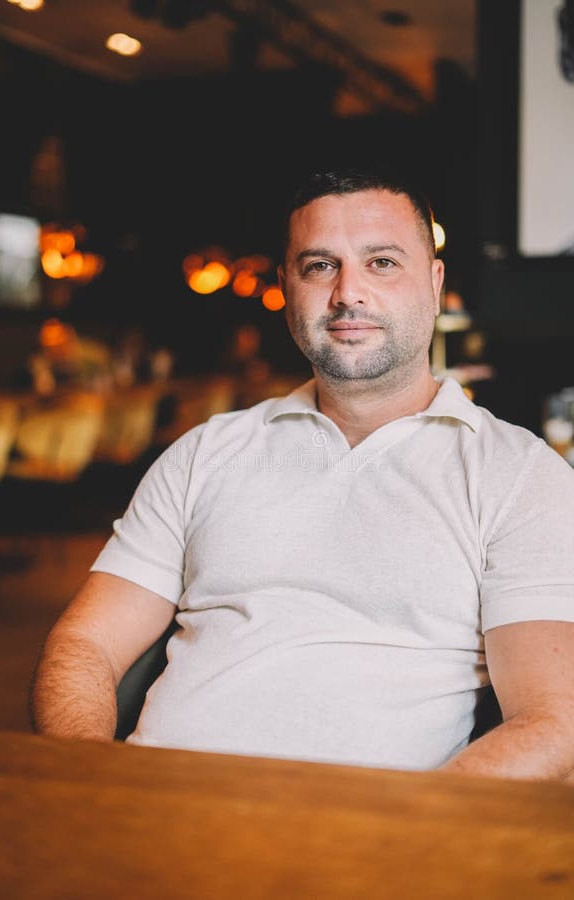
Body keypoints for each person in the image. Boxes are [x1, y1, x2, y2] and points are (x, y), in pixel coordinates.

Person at [31, 168, 574, 780]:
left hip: (369, 841)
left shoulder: (517, 474)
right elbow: (86, 644)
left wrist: (405, 836)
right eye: (320, 266)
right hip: (151, 809)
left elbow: (554, 722)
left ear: (435, 280)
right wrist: (85, 779)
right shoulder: (206, 451)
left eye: (383, 263)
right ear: (287, 286)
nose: (348, 293)